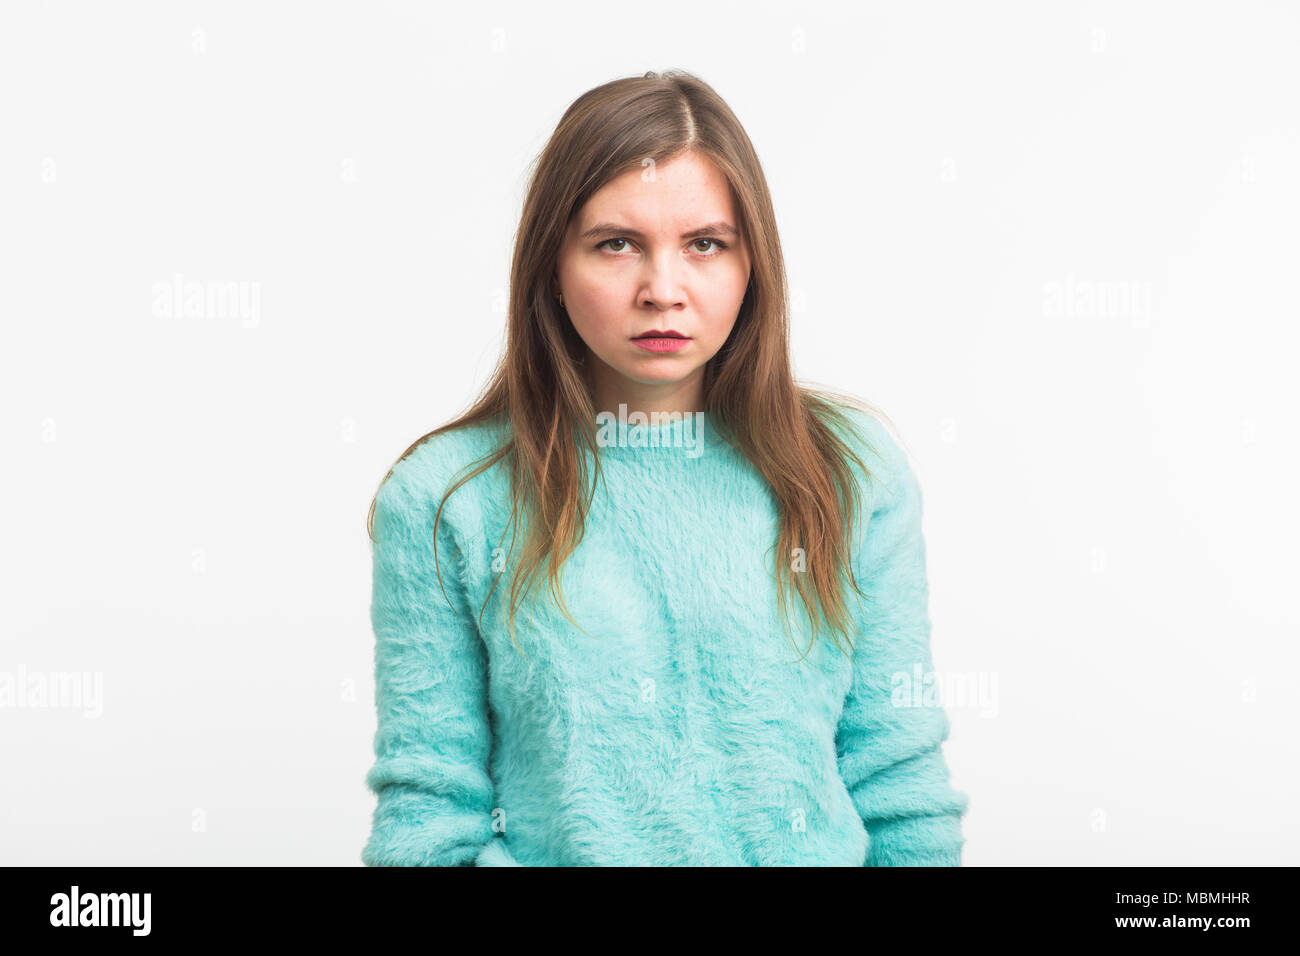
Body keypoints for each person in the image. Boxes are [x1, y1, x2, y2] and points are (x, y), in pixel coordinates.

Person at [361, 69, 970, 866]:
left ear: (753, 266)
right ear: (551, 263)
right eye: (616, 244)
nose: (662, 290)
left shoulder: (850, 472)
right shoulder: (447, 499)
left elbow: (899, 783)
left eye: (705, 245)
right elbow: (428, 822)